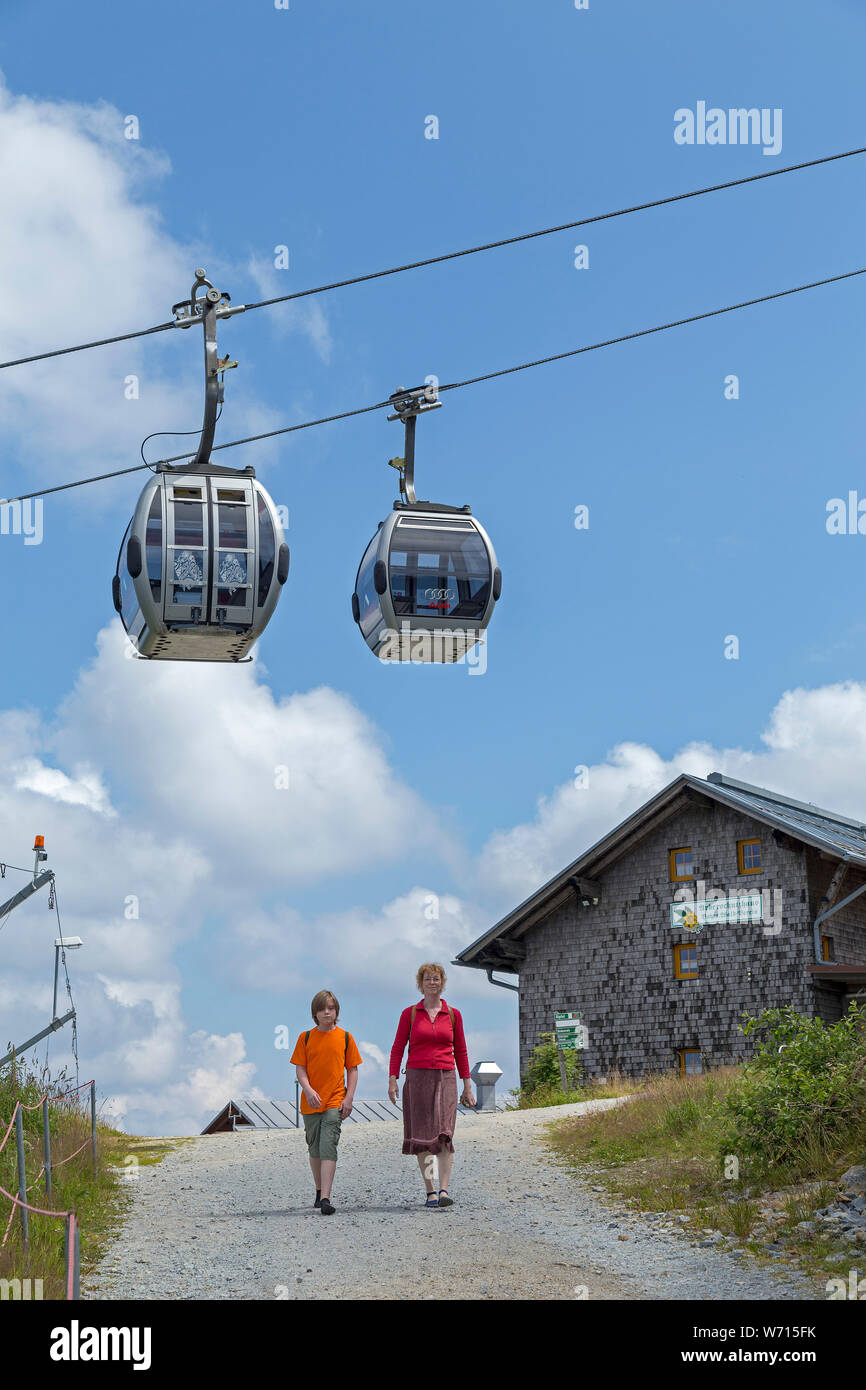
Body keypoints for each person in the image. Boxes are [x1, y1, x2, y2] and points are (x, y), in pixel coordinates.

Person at [388, 963, 474, 1208]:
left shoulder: (454, 1015)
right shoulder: (410, 1014)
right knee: (424, 1138)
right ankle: (430, 1191)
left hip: (446, 1077)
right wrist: (392, 1078)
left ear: (442, 983)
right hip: (417, 1078)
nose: (432, 983)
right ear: (420, 984)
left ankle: (444, 1189)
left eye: (436, 979)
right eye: (428, 979)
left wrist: (467, 1085)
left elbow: (462, 1051)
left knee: (445, 1134)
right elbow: (397, 1047)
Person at [290, 990, 362, 1215]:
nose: (327, 1012)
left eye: (331, 1008)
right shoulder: (306, 1038)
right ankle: (319, 1189)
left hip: (335, 1101)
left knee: (328, 1145)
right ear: (315, 1013)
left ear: (336, 1011)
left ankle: (326, 1198)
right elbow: (300, 1069)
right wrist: (309, 1090)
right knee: (314, 1148)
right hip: (310, 1103)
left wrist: (348, 1098)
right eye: (322, 1009)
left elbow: (353, 1069)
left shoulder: (346, 1037)